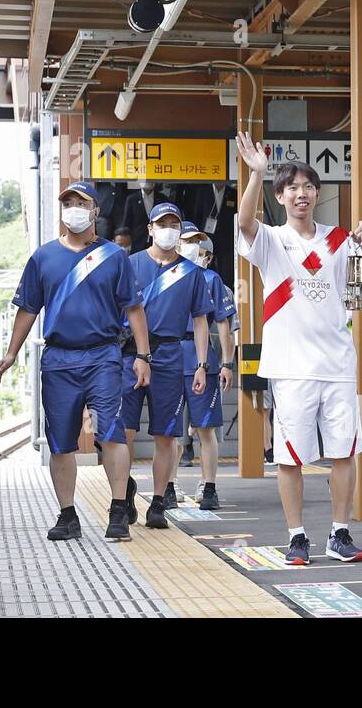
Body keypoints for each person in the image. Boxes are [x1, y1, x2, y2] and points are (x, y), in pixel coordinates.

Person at [234, 133, 362, 565]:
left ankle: (339, 533)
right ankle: (297, 536)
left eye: (308, 187)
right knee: (291, 455)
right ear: (280, 196)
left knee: (344, 451)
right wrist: (256, 173)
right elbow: (245, 222)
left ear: (318, 194)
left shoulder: (340, 241)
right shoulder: (272, 240)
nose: (301, 194)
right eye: (292, 188)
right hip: (291, 367)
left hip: (337, 363)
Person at [0, 181, 152, 542]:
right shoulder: (43, 258)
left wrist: (142, 356)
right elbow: (28, 308)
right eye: (68, 203)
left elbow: (134, 309)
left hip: (104, 356)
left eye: (82, 203)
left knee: (111, 432)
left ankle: (117, 510)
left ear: (96, 212)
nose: (74, 208)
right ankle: (67, 515)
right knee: (60, 441)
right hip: (59, 359)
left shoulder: (114, 256)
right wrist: (11, 353)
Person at [120, 202, 212, 528]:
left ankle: (158, 502)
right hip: (129, 357)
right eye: (162, 223)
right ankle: (123, 491)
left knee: (165, 436)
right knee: (123, 433)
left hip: (171, 357)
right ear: (150, 229)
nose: (168, 229)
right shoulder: (128, 265)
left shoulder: (192, 274)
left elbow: (200, 320)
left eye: (175, 223)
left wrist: (202, 364)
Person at [175, 225, 237, 509]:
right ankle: (168, 485)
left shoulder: (212, 280)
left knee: (205, 428)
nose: (190, 248)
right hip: (170, 357)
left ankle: (208, 485)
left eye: (197, 244)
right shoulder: (165, 274)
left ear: (208, 255)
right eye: (186, 242)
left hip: (203, 361)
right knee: (170, 430)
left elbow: (224, 325)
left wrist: (227, 362)